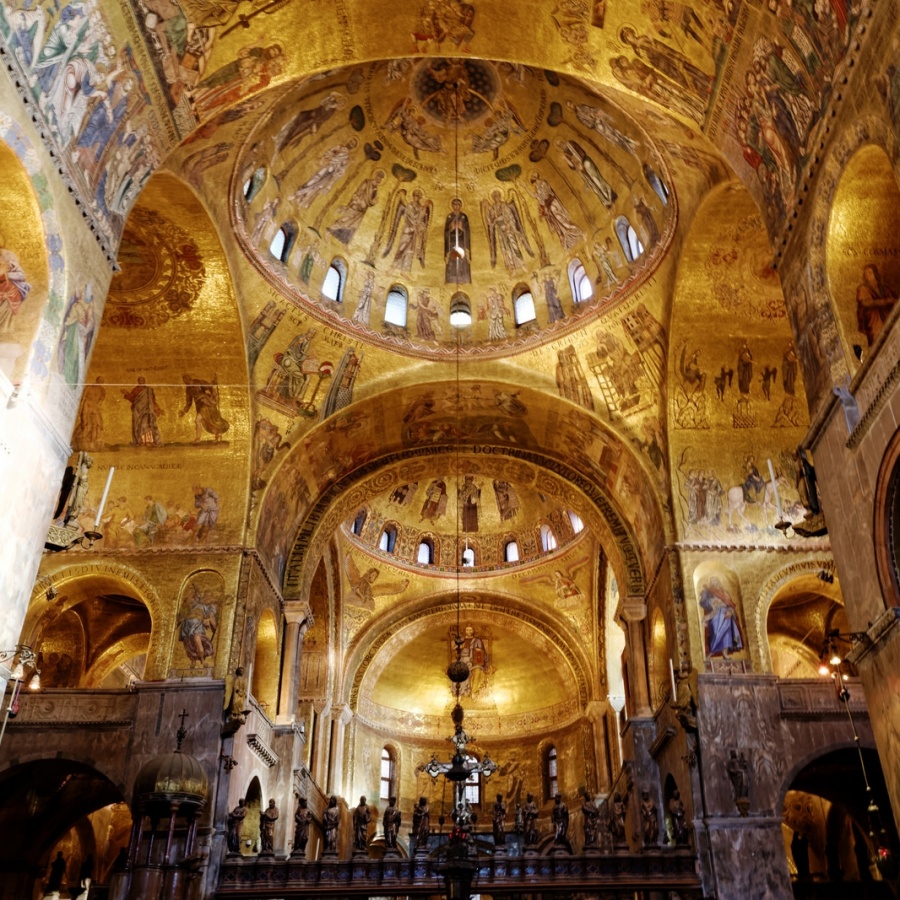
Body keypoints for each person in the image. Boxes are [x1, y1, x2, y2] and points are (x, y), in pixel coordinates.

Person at [699, 576, 742, 659]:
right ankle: (711, 652)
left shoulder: (724, 593)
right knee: (715, 633)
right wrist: (712, 601)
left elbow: (730, 604)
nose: (714, 582)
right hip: (714, 614)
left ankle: (725, 654)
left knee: (726, 634)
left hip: (725, 613)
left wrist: (730, 611)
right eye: (712, 580)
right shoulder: (707, 592)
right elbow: (703, 602)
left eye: (716, 580)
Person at [180, 375, 229, 442]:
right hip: (199, 405)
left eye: (185, 379)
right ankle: (217, 434)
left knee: (198, 420)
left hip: (206, 402)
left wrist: (213, 385)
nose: (184, 381)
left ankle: (198, 439)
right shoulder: (188, 389)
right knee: (206, 421)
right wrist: (184, 411)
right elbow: (189, 402)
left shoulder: (198, 382)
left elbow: (208, 386)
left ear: (189, 378)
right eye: (183, 380)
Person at [856, 263, 896, 346]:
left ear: (875, 274)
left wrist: (891, 300)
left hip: (887, 316)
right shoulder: (863, 288)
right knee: (877, 338)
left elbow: (894, 299)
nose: (867, 275)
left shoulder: (884, 288)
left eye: (870, 273)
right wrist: (886, 301)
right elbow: (865, 303)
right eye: (865, 274)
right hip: (874, 318)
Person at [122, 376, 163, 447]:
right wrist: (126, 394)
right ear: (138, 381)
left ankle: (148, 441)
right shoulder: (136, 390)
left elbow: (153, 400)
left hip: (148, 410)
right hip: (138, 410)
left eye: (143, 380)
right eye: (140, 380)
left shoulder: (149, 390)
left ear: (144, 381)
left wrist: (157, 408)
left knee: (147, 425)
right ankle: (141, 441)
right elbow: (132, 399)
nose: (141, 381)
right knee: (139, 426)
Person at [444, 198, 471, 283]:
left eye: (458, 204)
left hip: (462, 242)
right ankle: (451, 279)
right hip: (452, 242)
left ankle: (463, 278)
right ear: (452, 206)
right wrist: (450, 229)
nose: (456, 206)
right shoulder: (449, 217)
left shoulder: (464, 217)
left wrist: (462, 229)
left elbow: (467, 231)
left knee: (462, 259)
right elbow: (446, 232)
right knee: (452, 260)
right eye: (454, 205)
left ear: (461, 206)